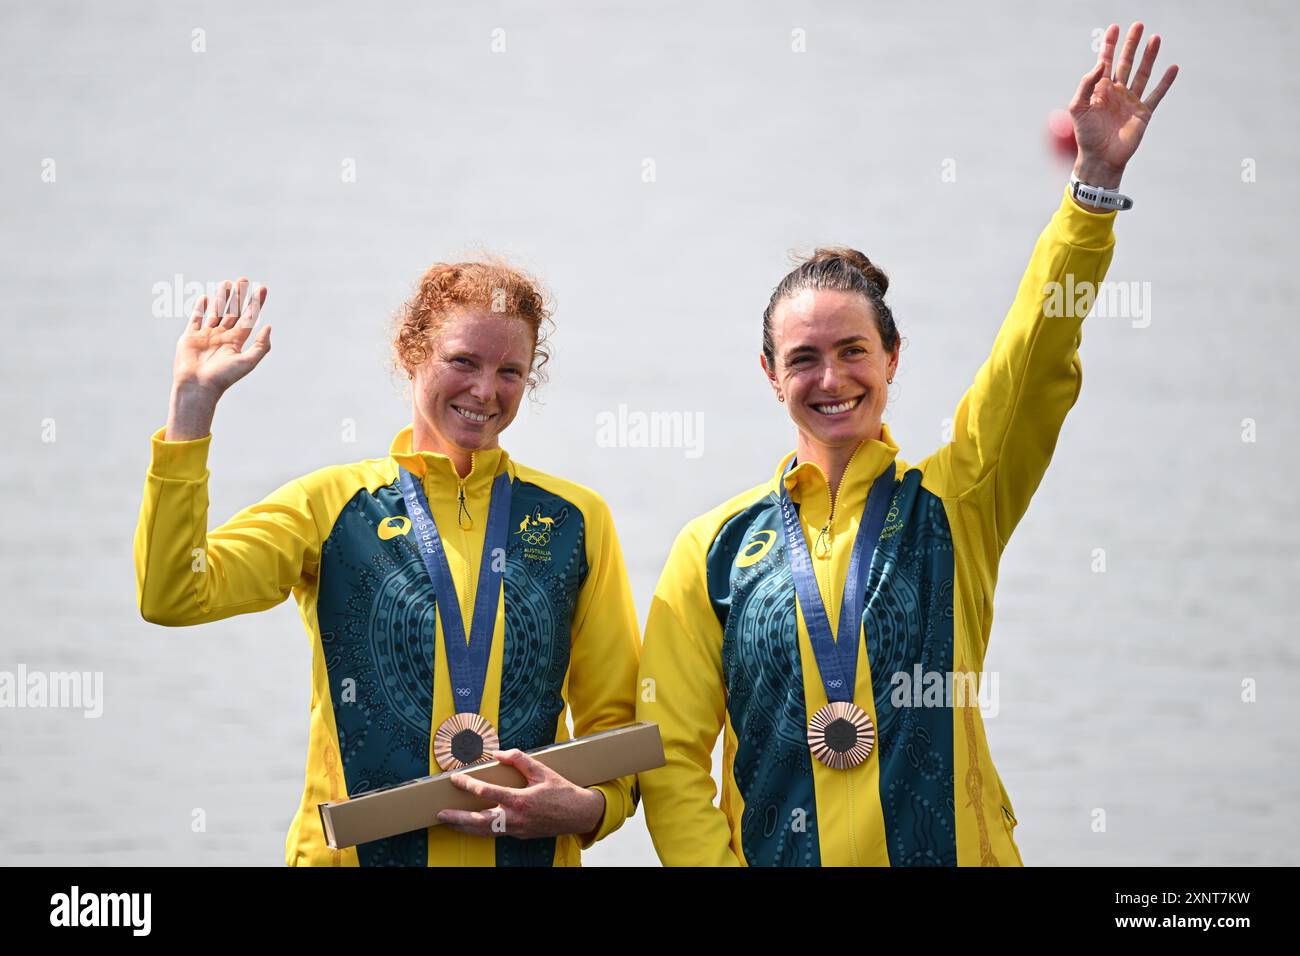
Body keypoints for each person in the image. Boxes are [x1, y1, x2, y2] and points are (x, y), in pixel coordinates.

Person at [636, 22, 1178, 865]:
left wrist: (1093, 190)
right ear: (770, 375)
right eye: (803, 359)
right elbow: (670, 757)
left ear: (892, 357)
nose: (831, 379)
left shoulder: (955, 500)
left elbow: (1034, 360)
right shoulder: (713, 550)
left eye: (853, 351)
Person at [134, 259, 641, 867]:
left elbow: (617, 728)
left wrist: (591, 810)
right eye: (463, 361)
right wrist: (192, 409)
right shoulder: (331, 505)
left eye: (510, 371)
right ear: (411, 353)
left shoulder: (574, 520)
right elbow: (173, 594)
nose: (485, 390)